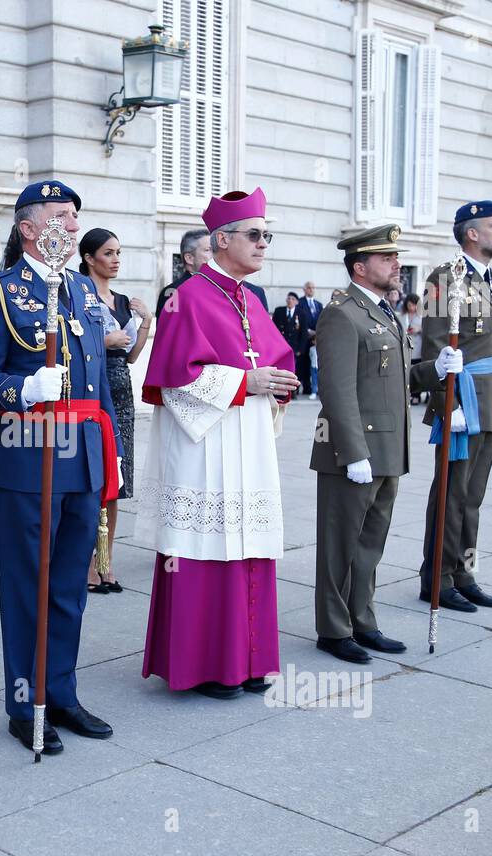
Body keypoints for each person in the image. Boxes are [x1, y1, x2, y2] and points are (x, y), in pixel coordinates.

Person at [0, 179, 122, 754]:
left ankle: (62, 691)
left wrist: (113, 451)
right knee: (29, 585)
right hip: (30, 454)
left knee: (70, 587)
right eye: (60, 216)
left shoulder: (81, 289)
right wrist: (25, 387)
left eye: (76, 216)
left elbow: (98, 380)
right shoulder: (0, 293)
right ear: (28, 228)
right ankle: (25, 700)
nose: (73, 226)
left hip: (82, 455)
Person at [137, 187, 299, 698]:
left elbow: (271, 358)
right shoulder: (187, 296)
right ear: (222, 240)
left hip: (248, 436)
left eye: (267, 235)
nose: (263, 244)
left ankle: (249, 660)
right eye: (255, 235)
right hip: (203, 441)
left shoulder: (250, 298)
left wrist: (277, 386)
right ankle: (204, 665)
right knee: (203, 548)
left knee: (249, 543)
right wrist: (244, 384)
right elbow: (172, 380)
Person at [311, 225, 456, 663]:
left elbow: (397, 378)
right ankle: (333, 630)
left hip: (389, 450)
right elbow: (336, 391)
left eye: (396, 257)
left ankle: (362, 621)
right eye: (386, 258)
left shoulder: (383, 312)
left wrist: (436, 369)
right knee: (340, 546)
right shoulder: (343, 313)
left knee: (369, 545)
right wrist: (353, 452)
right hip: (354, 452)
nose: (396, 265)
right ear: (360, 266)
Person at [419, 200, 492, 613]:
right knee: (451, 492)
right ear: (472, 233)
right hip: (463, 397)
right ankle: (436, 579)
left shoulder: (490, 279)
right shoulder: (446, 278)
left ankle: (463, 572)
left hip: (489, 397)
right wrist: (446, 404)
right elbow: (437, 344)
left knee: (473, 495)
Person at [79, 227, 151, 594]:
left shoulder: (122, 301)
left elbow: (133, 356)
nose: (116, 259)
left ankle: (106, 562)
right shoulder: (78, 292)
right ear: (90, 258)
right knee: (96, 478)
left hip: (122, 388)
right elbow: (72, 341)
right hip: (94, 388)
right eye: (108, 253)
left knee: (119, 482)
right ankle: (88, 564)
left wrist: (146, 324)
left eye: (118, 252)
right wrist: (103, 339)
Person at [155, 228, 210, 317]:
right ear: (189, 258)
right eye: (208, 250)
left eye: (215, 250)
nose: (215, 255)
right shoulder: (172, 292)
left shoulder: (219, 289)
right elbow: (169, 330)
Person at [294, 281, 323, 395]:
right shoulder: (299, 303)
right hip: (303, 338)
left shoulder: (318, 304)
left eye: (313, 288)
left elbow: (321, 320)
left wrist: (317, 333)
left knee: (314, 363)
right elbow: (298, 319)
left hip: (315, 339)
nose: (311, 290)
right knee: (302, 363)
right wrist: (307, 331)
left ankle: (311, 387)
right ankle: (302, 387)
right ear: (304, 289)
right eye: (309, 288)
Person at [403, 292, 427, 404]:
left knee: (417, 371)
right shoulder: (402, 316)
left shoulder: (422, 316)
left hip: (418, 348)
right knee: (407, 372)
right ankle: (409, 394)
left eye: (414, 305)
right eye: (410, 305)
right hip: (406, 346)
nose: (412, 307)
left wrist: (419, 330)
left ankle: (416, 395)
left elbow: (428, 331)